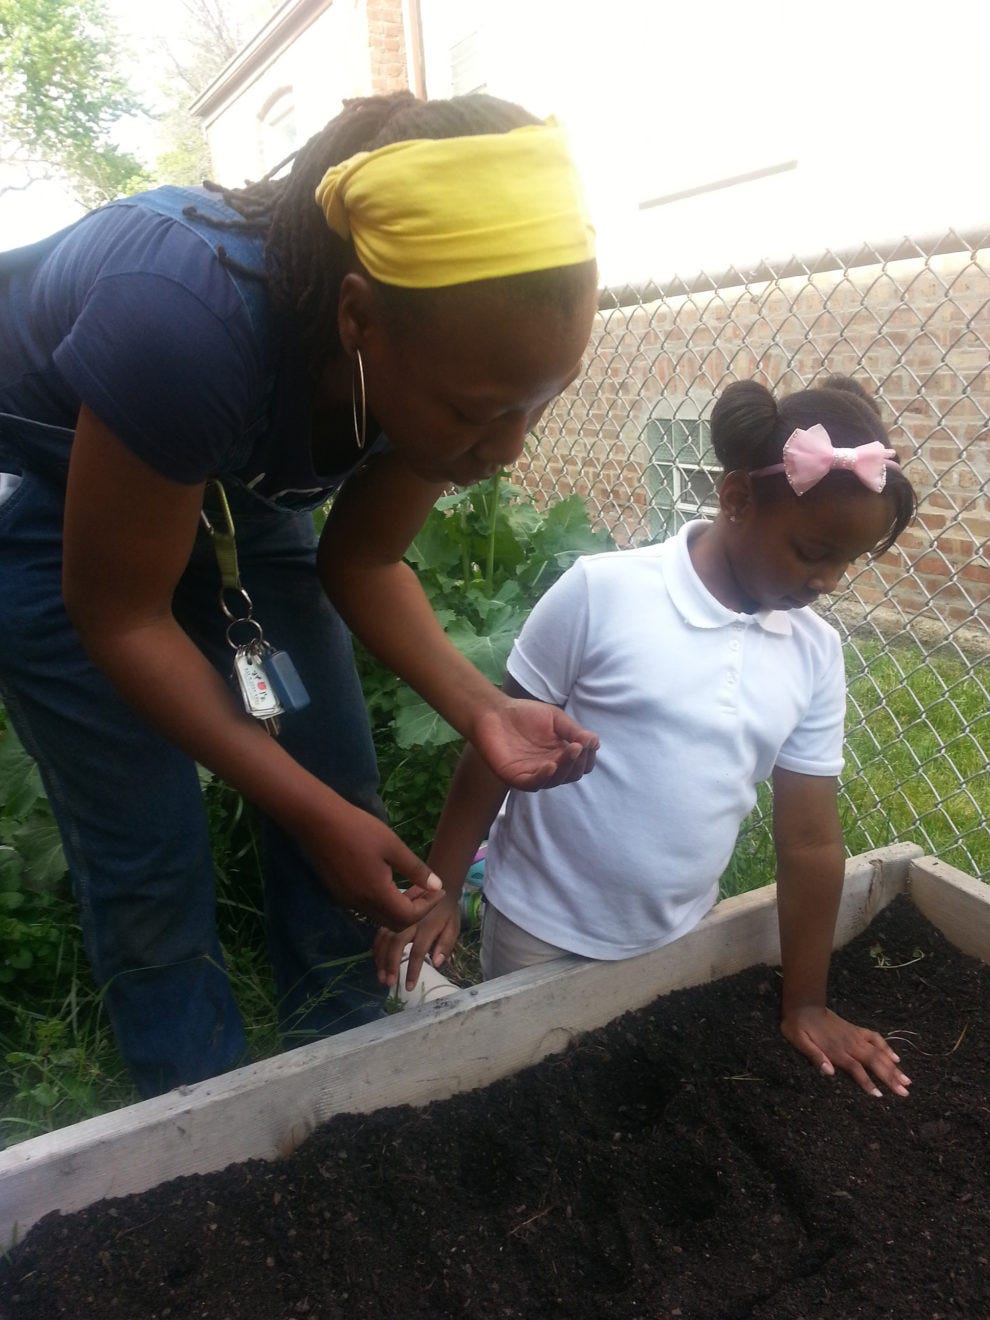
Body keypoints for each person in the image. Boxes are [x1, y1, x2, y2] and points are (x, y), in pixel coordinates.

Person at [0, 90, 601, 1097]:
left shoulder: (434, 360)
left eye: (534, 407)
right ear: (358, 316)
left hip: (235, 486)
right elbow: (122, 615)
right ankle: (196, 1123)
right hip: (63, 512)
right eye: (476, 414)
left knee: (338, 781)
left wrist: (484, 710)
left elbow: (361, 563)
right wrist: (304, 812)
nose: (504, 451)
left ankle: (346, 1066)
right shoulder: (180, 319)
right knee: (150, 851)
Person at [375, 376, 919, 1099]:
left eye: (845, 564)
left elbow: (811, 840)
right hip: (543, 921)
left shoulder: (813, 654)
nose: (826, 580)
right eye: (812, 550)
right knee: (529, 1090)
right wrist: (440, 888)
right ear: (734, 500)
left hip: (680, 933)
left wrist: (807, 1002)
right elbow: (493, 748)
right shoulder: (603, 594)